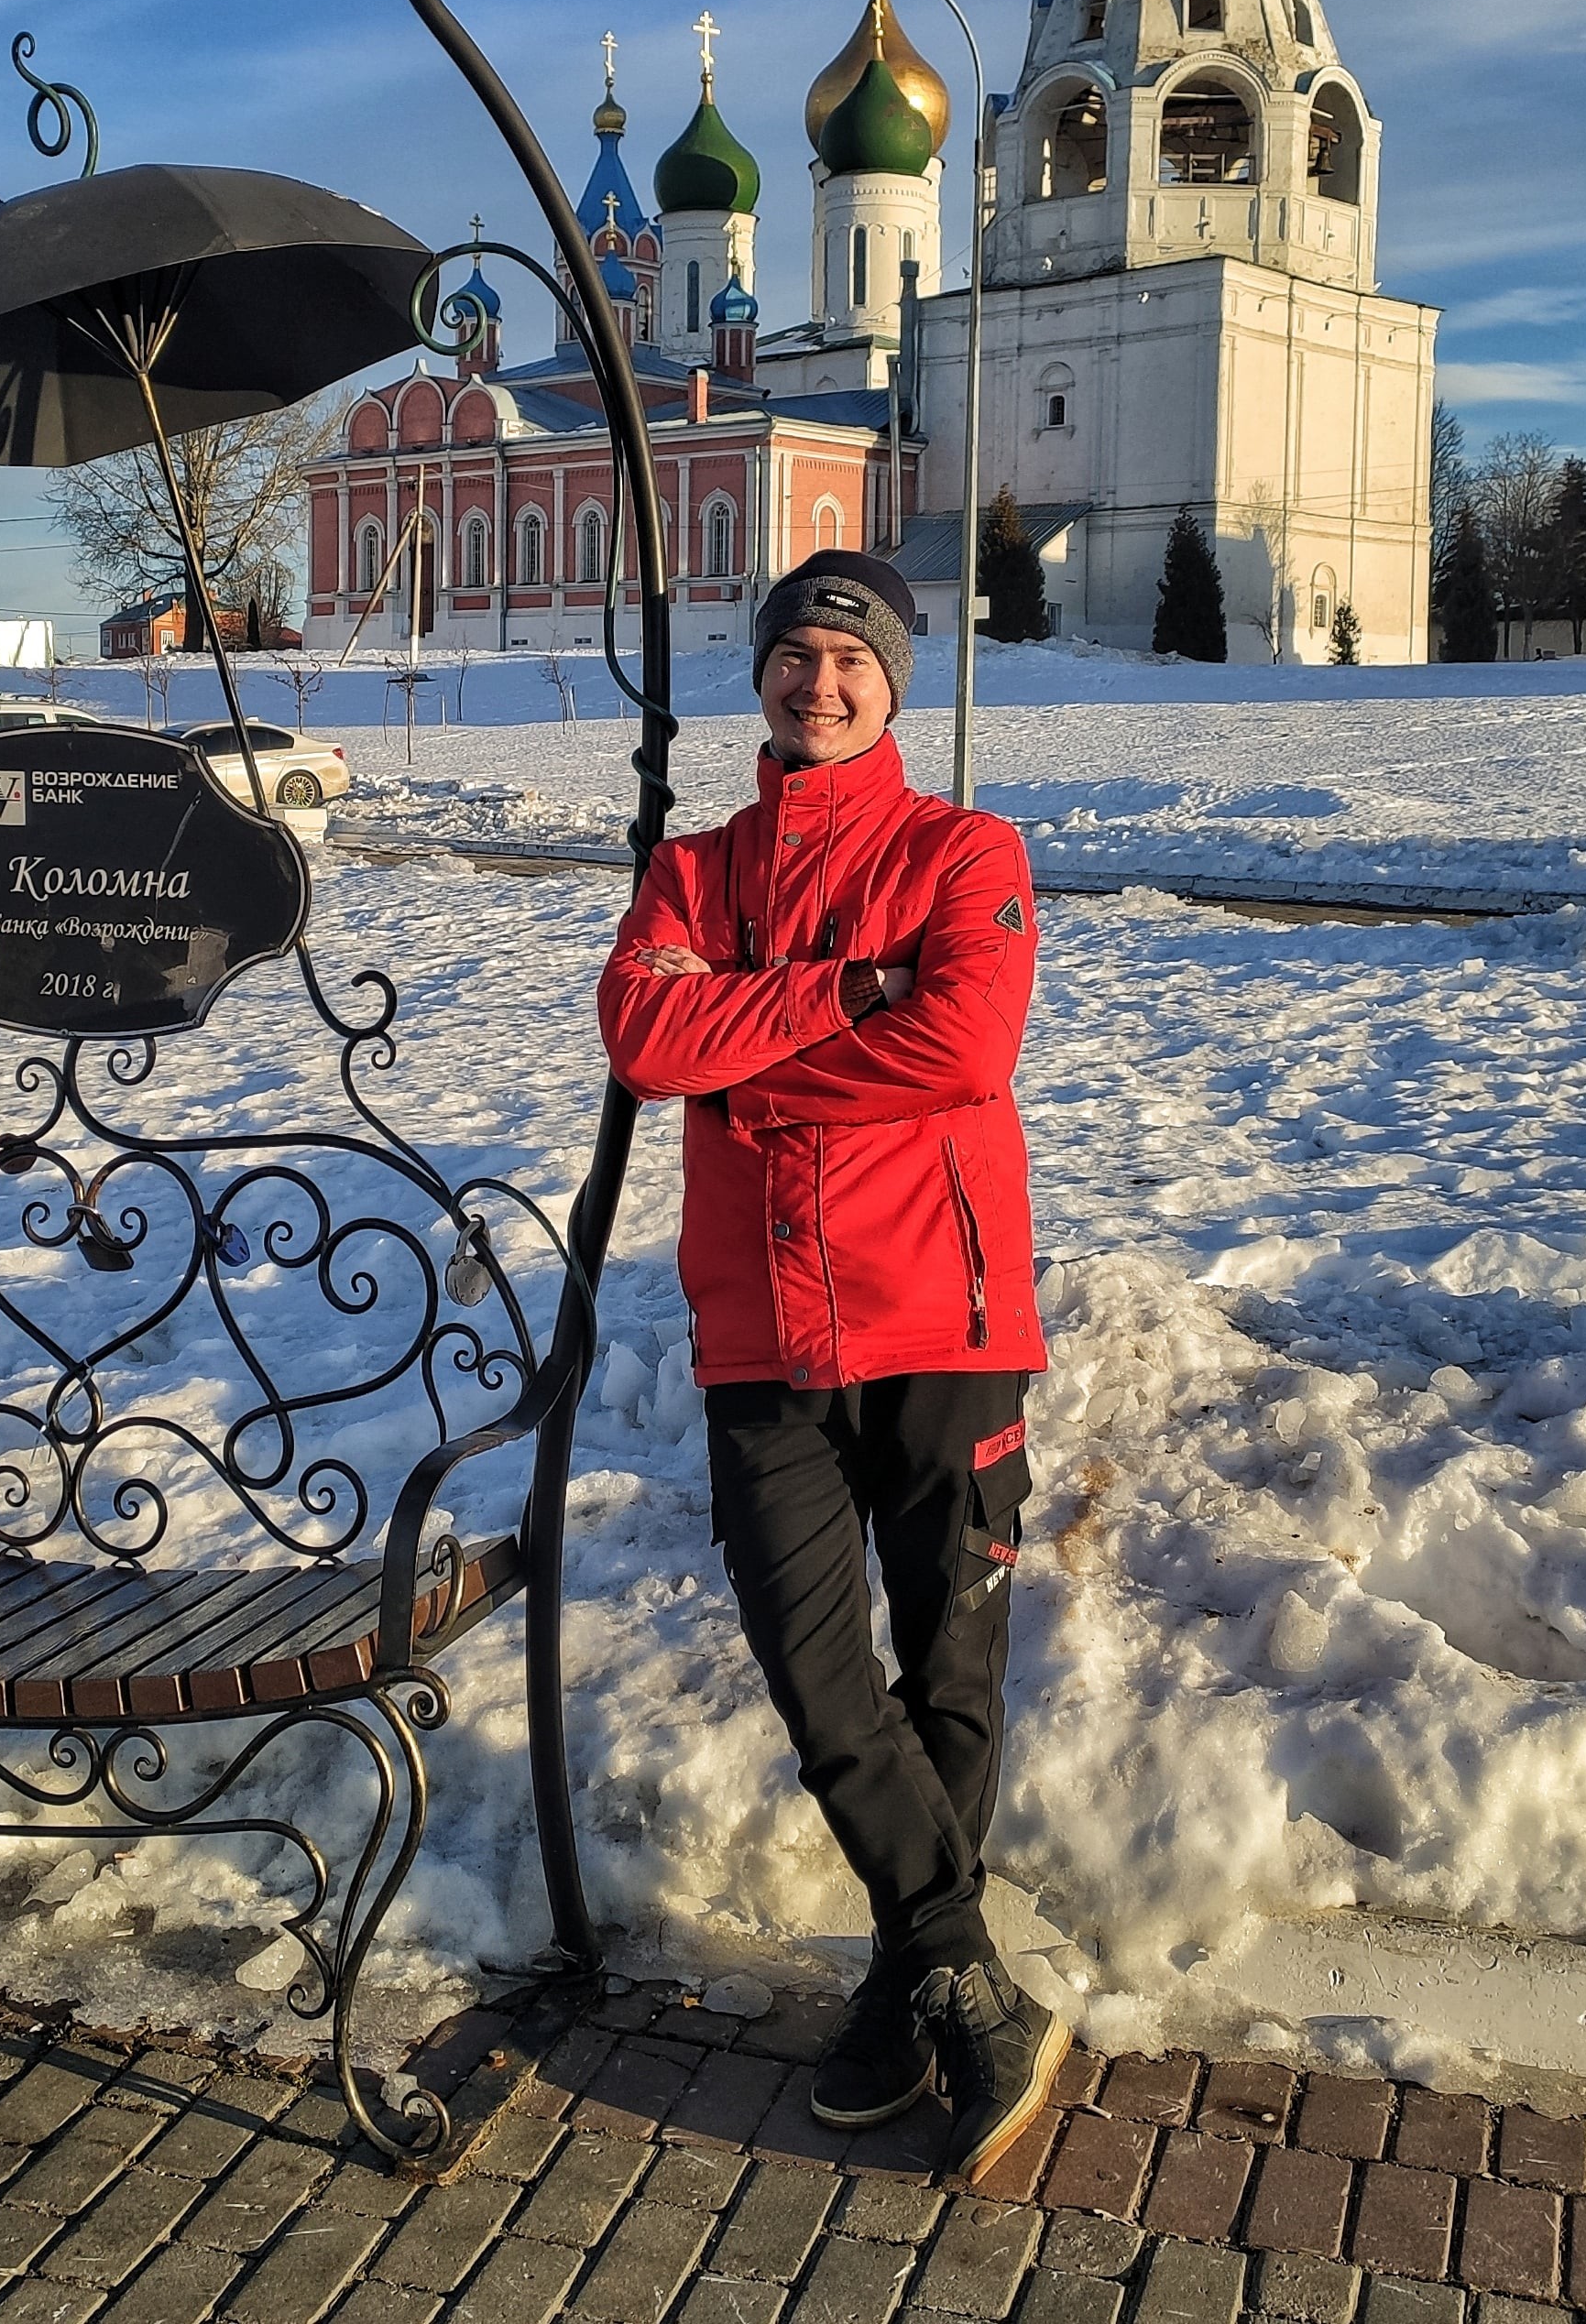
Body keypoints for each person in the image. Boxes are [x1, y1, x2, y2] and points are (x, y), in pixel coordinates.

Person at [596, 549, 1064, 2185]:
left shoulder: (966, 850)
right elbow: (646, 1041)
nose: (821, 681)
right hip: (763, 1335)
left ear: (897, 681)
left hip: (942, 1317)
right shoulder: (696, 868)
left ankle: (909, 1978)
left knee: (945, 1665)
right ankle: (958, 1964)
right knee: (815, 1672)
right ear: (764, 675)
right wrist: (844, 993)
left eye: (851, 658)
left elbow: (964, 1046)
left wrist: (758, 1053)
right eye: (794, 654)